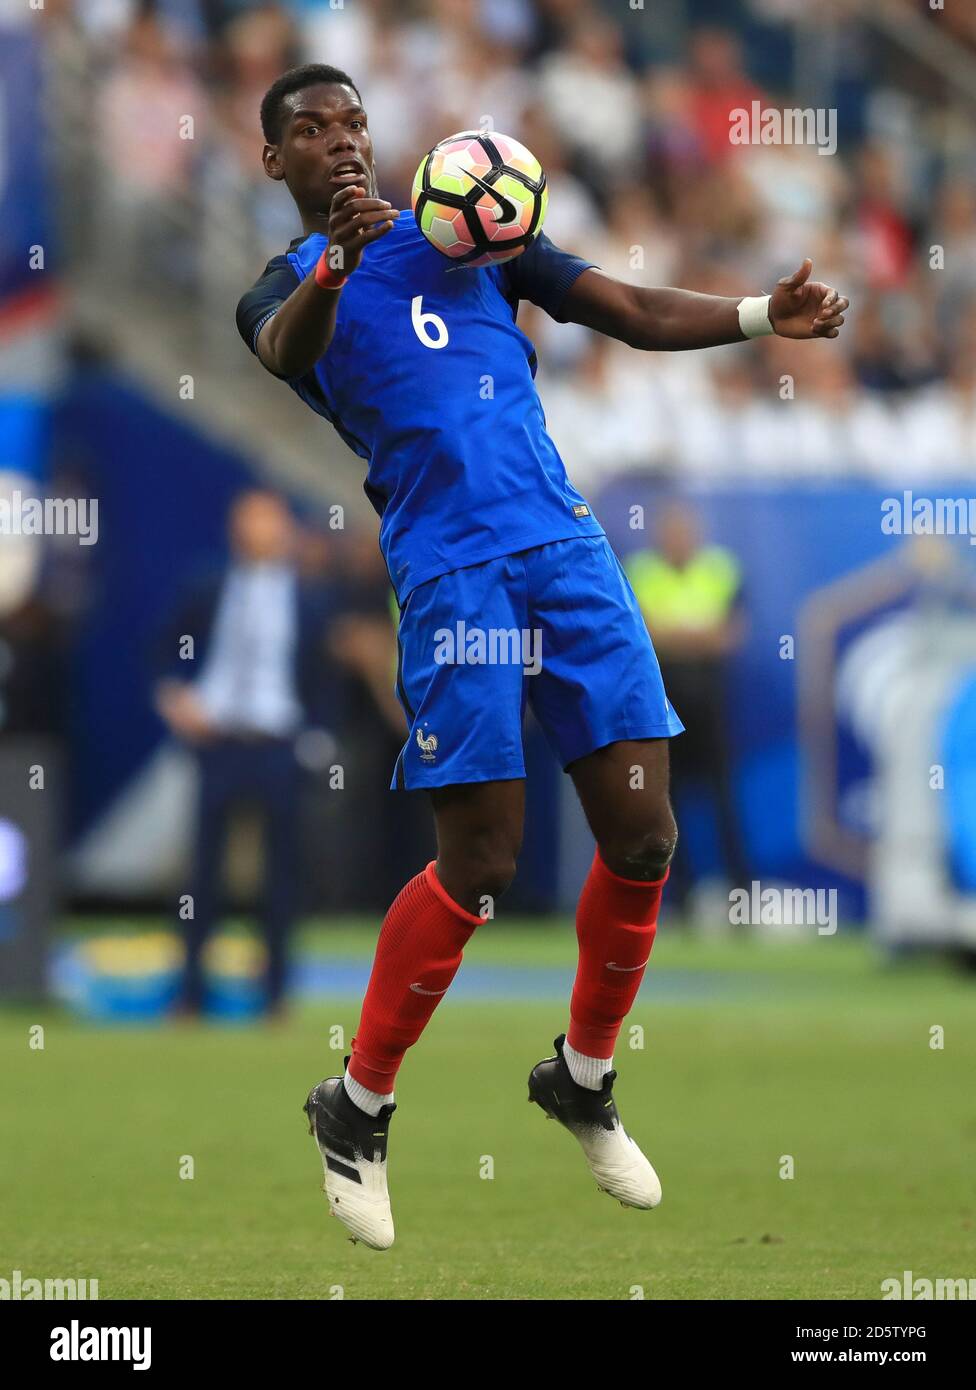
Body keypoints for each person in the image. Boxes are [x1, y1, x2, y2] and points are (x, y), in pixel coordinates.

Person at [235, 63, 849, 1249]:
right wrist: (334, 261)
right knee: (481, 861)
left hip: (565, 548)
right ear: (276, 164)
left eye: (355, 120)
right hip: (450, 566)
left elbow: (619, 303)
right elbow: (280, 349)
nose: (341, 140)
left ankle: (582, 1074)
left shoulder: (473, 233)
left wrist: (757, 318)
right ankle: (355, 1106)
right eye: (312, 130)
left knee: (645, 832)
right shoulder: (283, 282)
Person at [153, 489, 332, 1017]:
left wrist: (315, 742)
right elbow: (164, 649)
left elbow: (322, 678)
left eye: (268, 521)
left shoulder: (307, 597)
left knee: (281, 876)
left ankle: (275, 995)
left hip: (278, 744)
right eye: (249, 520)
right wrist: (176, 698)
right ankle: (190, 995)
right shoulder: (209, 586)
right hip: (220, 742)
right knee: (202, 875)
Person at [626, 503, 749, 916]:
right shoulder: (642, 571)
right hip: (662, 706)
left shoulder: (720, 569)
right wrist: (696, 635)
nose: (678, 541)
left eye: (685, 532)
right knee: (664, 805)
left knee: (722, 804)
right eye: (671, 532)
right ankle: (678, 900)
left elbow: (730, 634)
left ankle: (741, 900)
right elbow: (643, 634)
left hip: (711, 706)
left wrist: (675, 636)